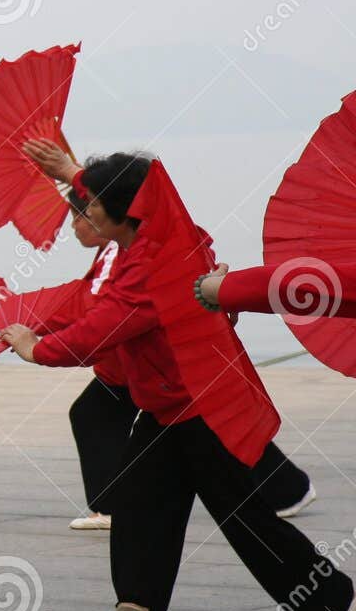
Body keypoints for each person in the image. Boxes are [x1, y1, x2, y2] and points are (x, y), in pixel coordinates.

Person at [1, 146, 355, 611]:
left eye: (90, 202)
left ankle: (329, 598)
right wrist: (73, 174)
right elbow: (132, 193)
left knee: (241, 513)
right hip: (171, 403)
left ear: (118, 210)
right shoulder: (162, 229)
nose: (84, 210)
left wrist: (35, 348)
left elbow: (101, 330)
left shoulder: (148, 266)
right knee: (144, 504)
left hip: (195, 405)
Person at [57, 192, 314, 530]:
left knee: (203, 426)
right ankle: (289, 489)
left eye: (78, 215)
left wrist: (40, 338)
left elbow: (97, 309)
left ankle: (114, 508)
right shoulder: (127, 247)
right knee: (208, 424)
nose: (72, 226)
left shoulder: (126, 250)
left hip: (159, 364)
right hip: (152, 364)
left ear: (100, 216)